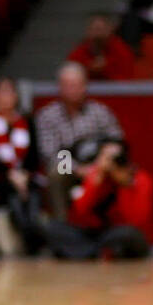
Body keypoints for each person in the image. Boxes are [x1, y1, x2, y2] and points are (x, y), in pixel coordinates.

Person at [35, 62, 125, 220]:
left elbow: (117, 142)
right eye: (68, 85)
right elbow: (50, 153)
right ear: (60, 88)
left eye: (76, 85)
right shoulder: (48, 116)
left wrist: (99, 165)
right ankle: (61, 227)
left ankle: (114, 228)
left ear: (85, 86)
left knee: (125, 174)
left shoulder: (100, 112)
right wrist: (78, 169)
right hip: (67, 167)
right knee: (56, 174)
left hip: (100, 166)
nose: (72, 90)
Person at [42, 139, 152, 260]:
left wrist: (124, 185)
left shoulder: (139, 179)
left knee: (129, 234)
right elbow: (81, 212)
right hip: (93, 234)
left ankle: (88, 253)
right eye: (106, 157)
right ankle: (98, 252)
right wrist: (97, 182)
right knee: (53, 228)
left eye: (115, 158)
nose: (111, 163)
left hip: (117, 231)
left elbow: (137, 220)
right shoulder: (95, 175)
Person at [0, 77, 42, 255]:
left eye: (10, 91)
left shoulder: (27, 120)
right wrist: (11, 175)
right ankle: (26, 240)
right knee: (13, 192)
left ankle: (34, 235)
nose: (7, 96)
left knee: (34, 191)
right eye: (2, 91)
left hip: (25, 176)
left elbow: (34, 156)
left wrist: (24, 175)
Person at [67, 13, 135, 80]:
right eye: (94, 29)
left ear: (110, 29)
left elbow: (127, 81)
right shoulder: (79, 53)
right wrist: (90, 69)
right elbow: (70, 76)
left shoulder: (122, 51)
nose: (98, 34)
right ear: (87, 31)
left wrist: (106, 69)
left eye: (101, 29)